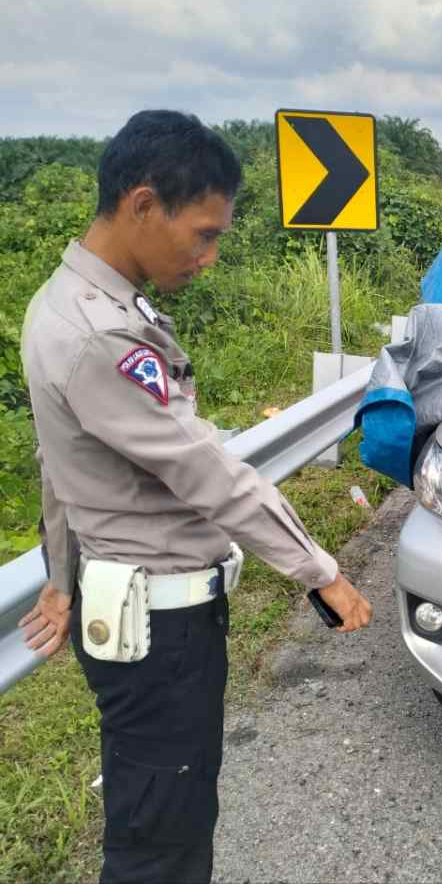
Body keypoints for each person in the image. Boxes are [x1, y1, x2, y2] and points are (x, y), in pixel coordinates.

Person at [18, 110, 373, 883]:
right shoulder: (100, 336)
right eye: (204, 234)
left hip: (147, 615)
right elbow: (205, 470)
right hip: (159, 630)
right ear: (143, 204)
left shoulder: (74, 301)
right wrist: (320, 569)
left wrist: (57, 573)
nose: (209, 256)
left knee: (169, 820)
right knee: (161, 845)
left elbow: (60, 463)